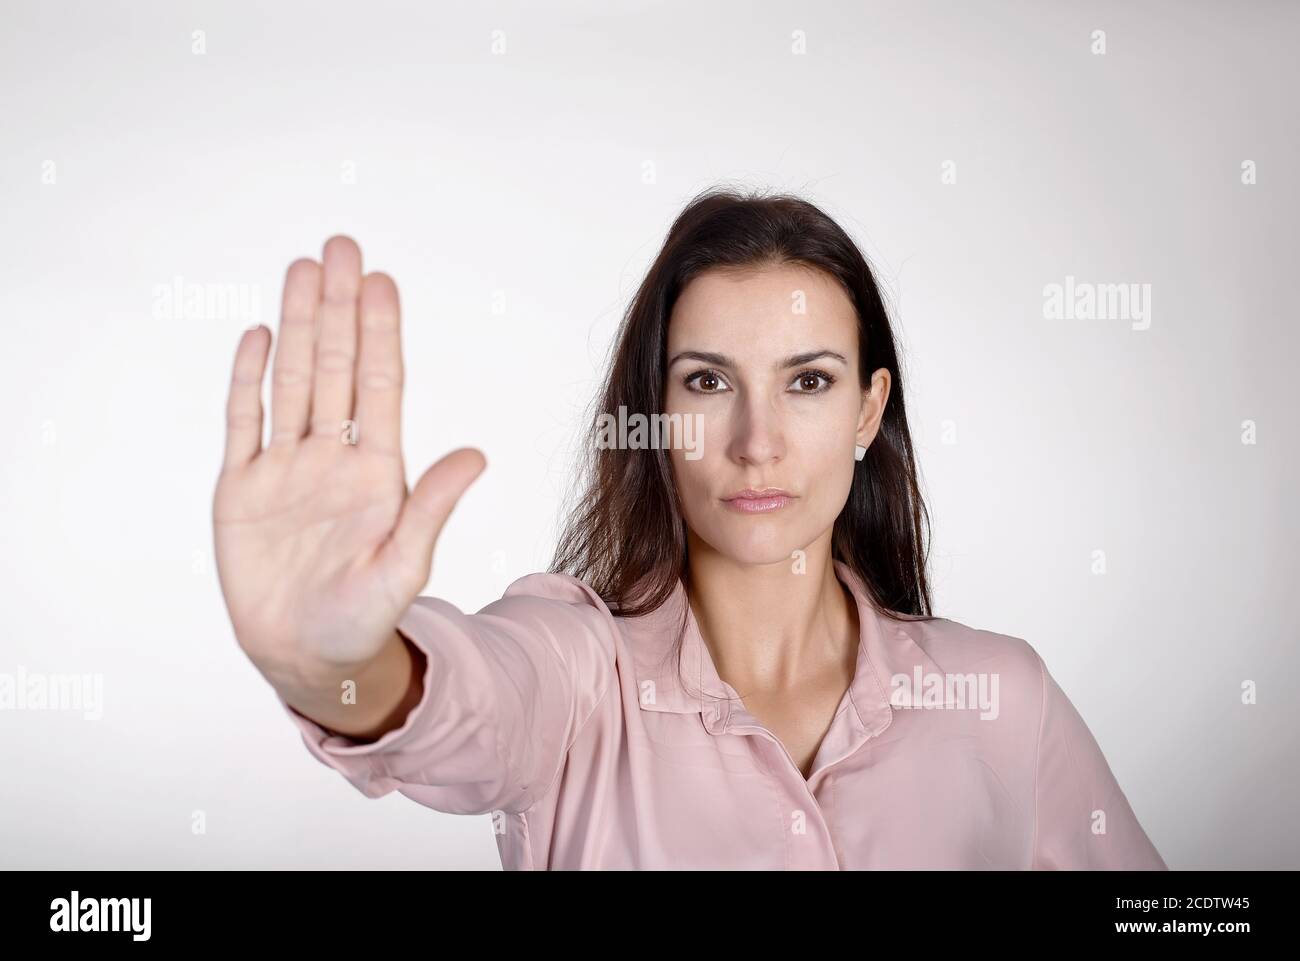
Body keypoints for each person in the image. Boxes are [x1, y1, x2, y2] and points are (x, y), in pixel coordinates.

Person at [213, 188, 1167, 870]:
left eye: (808, 382)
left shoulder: (1003, 698)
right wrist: (331, 664)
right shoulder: (581, 674)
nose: (757, 443)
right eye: (708, 382)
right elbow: (469, 703)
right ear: (655, 413)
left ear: (870, 411)